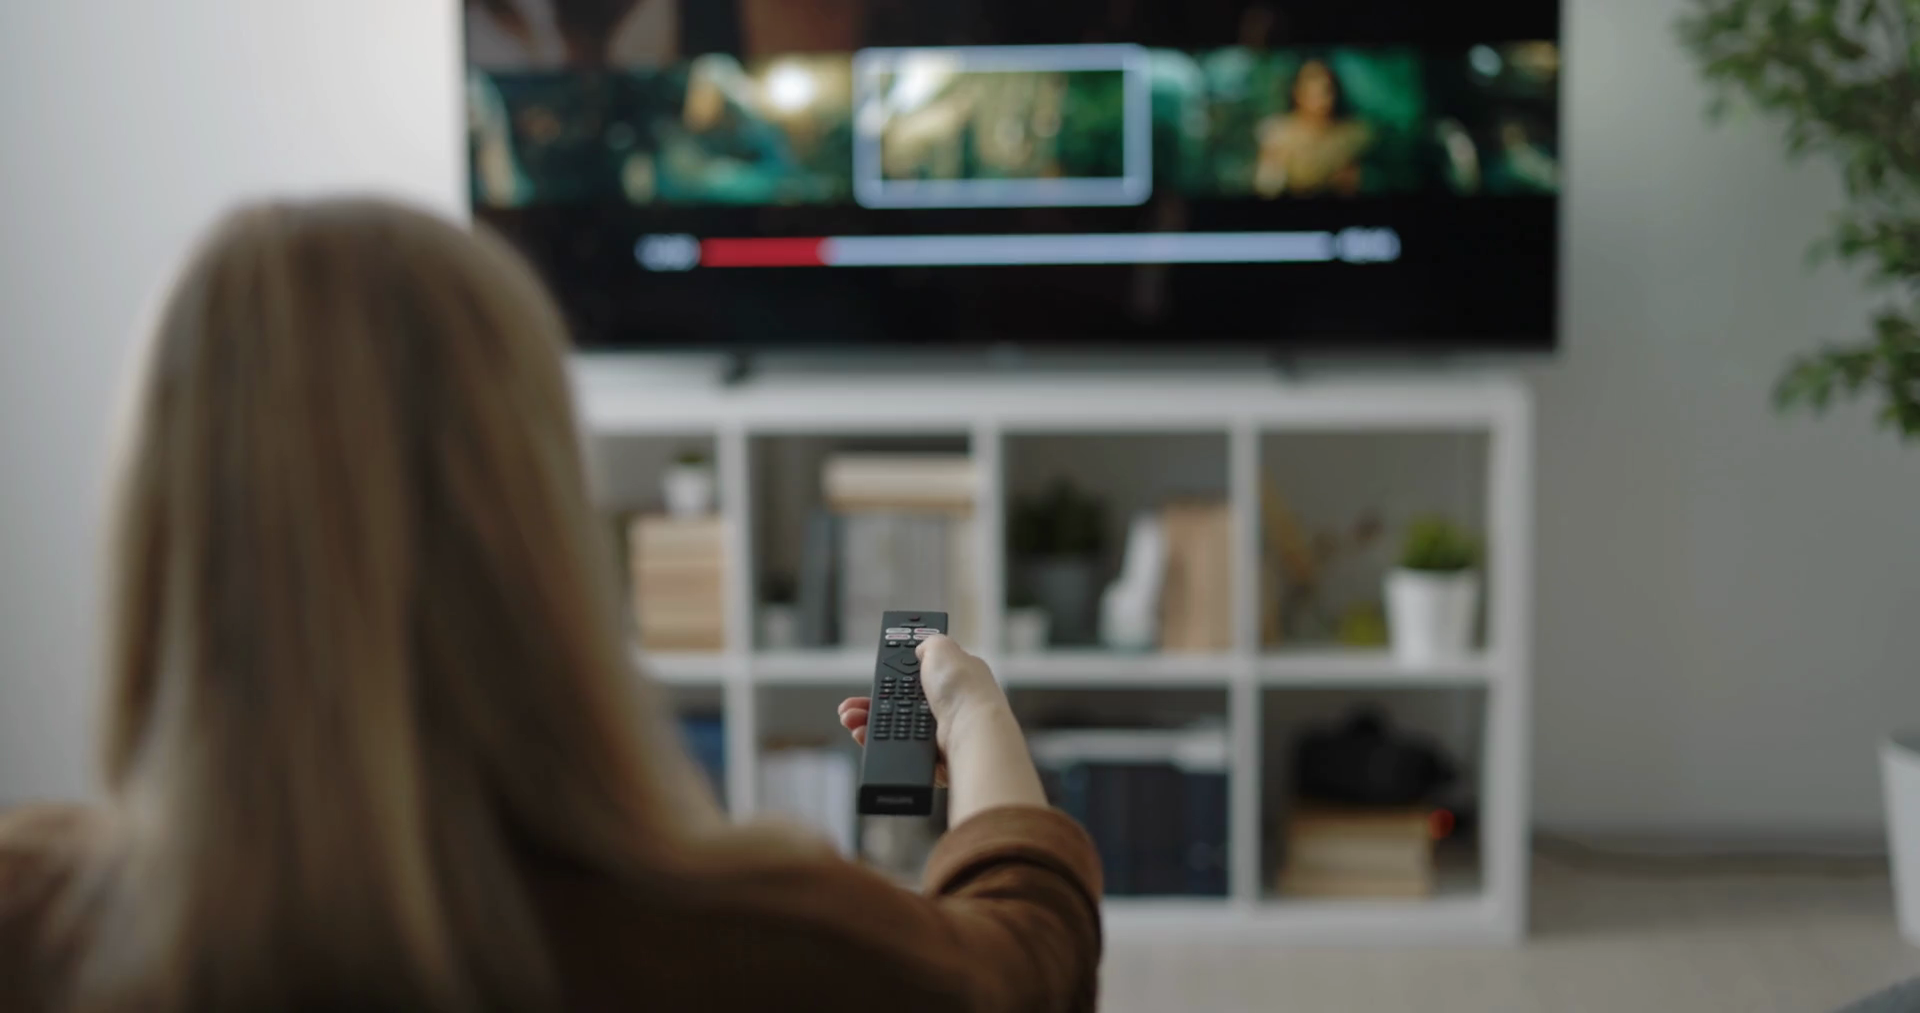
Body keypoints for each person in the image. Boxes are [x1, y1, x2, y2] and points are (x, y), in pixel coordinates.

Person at [0, 199, 1101, 1011]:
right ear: (529, 510)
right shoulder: (767, 945)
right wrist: (969, 709)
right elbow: (1024, 960)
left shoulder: (34, 919)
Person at [1252, 56, 1372, 197]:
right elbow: (1266, 187)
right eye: (1312, 90)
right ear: (1297, 92)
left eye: (1326, 90)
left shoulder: (1352, 134)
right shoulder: (1277, 132)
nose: (1321, 99)